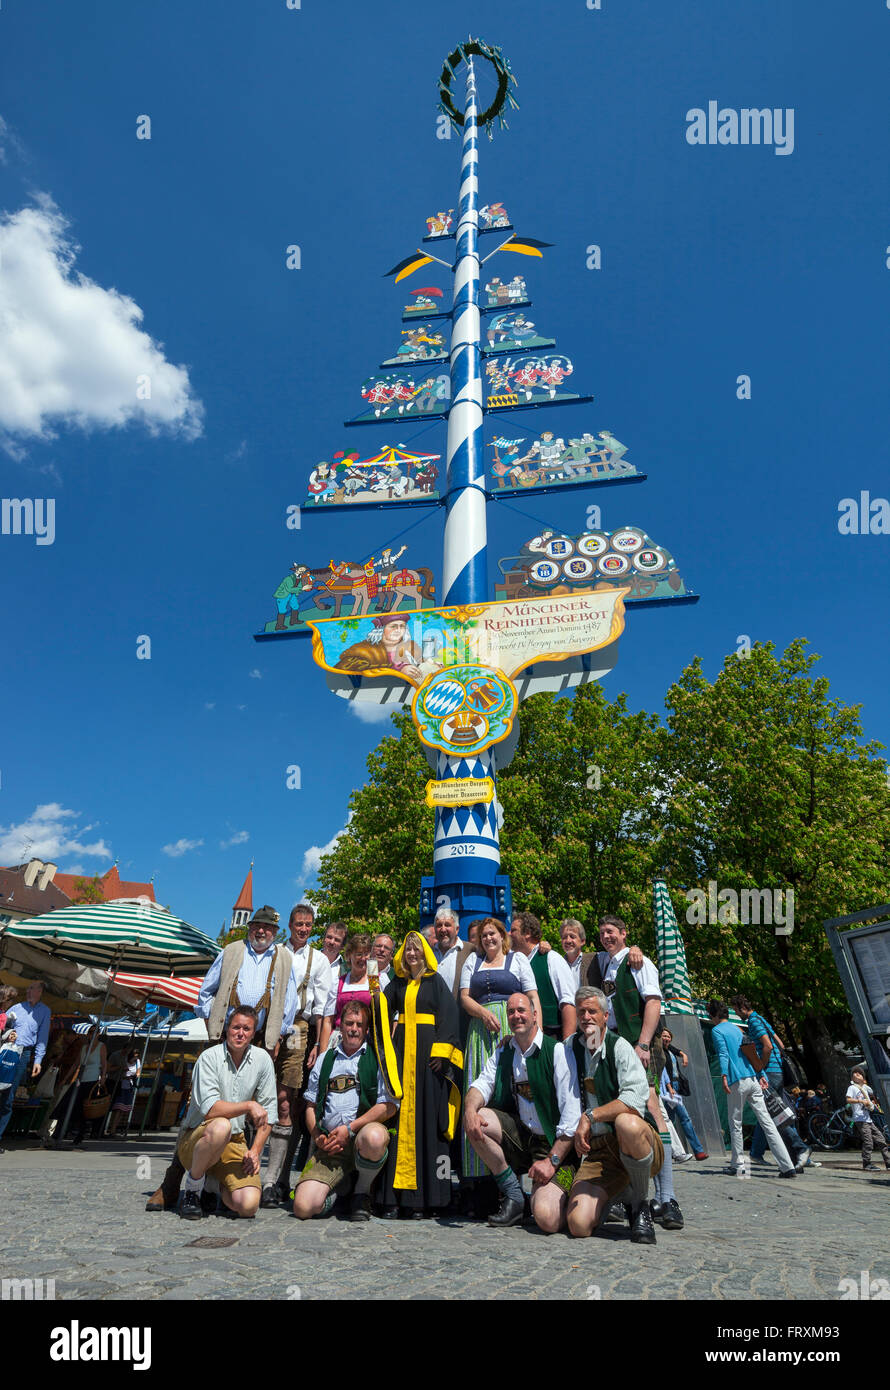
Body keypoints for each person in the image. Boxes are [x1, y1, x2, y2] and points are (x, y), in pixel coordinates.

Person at [146, 906, 294, 1213]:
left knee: (260, 1113)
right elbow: (206, 991)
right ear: (249, 927)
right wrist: (216, 1022)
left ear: (275, 932)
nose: (262, 931)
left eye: (267, 928)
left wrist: (277, 1035)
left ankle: (224, 1181)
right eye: (257, 926)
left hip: (262, 1040)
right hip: (224, 1035)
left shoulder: (283, 958)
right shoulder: (231, 950)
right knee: (199, 1110)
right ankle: (171, 1184)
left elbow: (288, 1000)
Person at [594, 914, 682, 1228]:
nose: (606, 936)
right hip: (616, 1045)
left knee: (653, 1108)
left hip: (638, 1044)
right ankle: (629, 1194)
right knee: (627, 1114)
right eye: (602, 932)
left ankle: (668, 1197)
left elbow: (654, 1002)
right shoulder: (605, 963)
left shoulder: (639, 962)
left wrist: (643, 1043)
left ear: (624, 933)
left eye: (611, 932)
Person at [463, 992, 578, 1231]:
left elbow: (572, 1117)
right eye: (512, 1012)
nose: (516, 1016)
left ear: (535, 1015)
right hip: (523, 1139)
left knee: (546, 1219)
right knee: (477, 1119)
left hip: (558, 1151)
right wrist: (469, 1110)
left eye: (522, 1010)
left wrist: (551, 1161)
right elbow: (481, 1085)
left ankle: (575, 1188)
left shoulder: (556, 1051)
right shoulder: (505, 1050)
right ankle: (515, 1197)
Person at [565, 988, 664, 1245]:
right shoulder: (569, 1048)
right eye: (581, 1011)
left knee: (626, 1123)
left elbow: (633, 1101)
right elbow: (540, 1051)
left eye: (592, 1011)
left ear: (605, 1016)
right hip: (598, 1153)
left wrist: (590, 1116)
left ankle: (640, 1204)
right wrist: (510, 1042)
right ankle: (616, 1196)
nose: (586, 1017)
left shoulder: (619, 1047)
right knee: (577, 1225)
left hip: (636, 1142)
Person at [380, 931, 462, 1218]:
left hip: (428, 1063)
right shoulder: (397, 984)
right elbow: (381, 1008)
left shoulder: (435, 982)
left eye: (416, 950)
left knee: (427, 1123)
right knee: (398, 1122)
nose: (412, 954)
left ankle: (425, 1200)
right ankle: (393, 1198)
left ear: (424, 953)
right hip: (403, 1060)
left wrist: (441, 1053)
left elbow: (449, 1017)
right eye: (408, 950)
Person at [294, 1000, 398, 1221]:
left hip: (360, 1138)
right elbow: (310, 1106)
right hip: (331, 1145)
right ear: (340, 1027)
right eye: (349, 1023)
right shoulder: (325, 1059)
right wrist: (318, 1136)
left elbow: (388, 1106)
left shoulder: (377, 1058)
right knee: (303, 1208)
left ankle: (361, 1193)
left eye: (359, 1025)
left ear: (367, 1029)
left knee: (375, 1137)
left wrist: (350, 1129)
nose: (354, 1029)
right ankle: (340, 1194)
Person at [262, 902, 334, 1207]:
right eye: (298, 924)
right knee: (259, 1097)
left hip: (298, 1029)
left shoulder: (318, 960)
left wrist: (319, 1045)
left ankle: (275, 1180)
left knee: (285, 1100)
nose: (303, 929)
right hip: (269, 1024)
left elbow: (323, 1009)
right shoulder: (275, 952)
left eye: (308, 925)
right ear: (290, 926)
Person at [459, 917, 540, 1184]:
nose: (488, 939)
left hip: (511, 1025)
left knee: (509, 1092)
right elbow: (464, 997)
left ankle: (512, 1171)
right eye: (484, 936)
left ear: (502, 935)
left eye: (492, 934)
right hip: (480, 1032)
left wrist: (534, 1027)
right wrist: (482, 1013)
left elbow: (531, 995)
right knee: (477, 1089)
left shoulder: (517, 959)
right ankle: (478, 1179)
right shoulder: (473, 961)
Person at [177, 1006, 277, 1220]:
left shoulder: (262, 1060)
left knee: (248, 1206)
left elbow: (270, 1112)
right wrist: (248, 1106)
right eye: (236, 1027)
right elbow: (211, 1110)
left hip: (235, 1141)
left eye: (246, 1029)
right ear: (227, 1029)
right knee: (222, 1125)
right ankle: (193, 1191)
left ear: (254, 1033)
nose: (240, 1033)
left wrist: (255, 1150)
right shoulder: (209, 1057)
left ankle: (213, 1186)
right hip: (198, 1137)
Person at [708, 1000, 796, 1179]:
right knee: (768, 1123)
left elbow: (724, 1054)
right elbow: (750, 1054)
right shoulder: (738, 1029)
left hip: (736, 1080)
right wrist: (761, 1072)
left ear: (714, 1015)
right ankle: (787, 1166)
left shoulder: (717, 1031)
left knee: (735, 1123)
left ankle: (738, 1165)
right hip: (753, 1078)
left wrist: (724, 1075)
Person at [730, 994, 812, 1170]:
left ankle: (801, 1148)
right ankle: (791, 1157)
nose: (737, 1014)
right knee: (778, 1113)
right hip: (779, 1071)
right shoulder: (762, 1019)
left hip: (770, 1073)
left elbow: (768, 1046)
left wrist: (761, 1066)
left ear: (741, 1007)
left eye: (736, 1010)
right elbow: (780, 1045)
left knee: (773, 1115)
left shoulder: (753, 1021)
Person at [0, 980, 51, 1147]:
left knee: (9, 1094)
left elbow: (42, 1038)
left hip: (23, 1054)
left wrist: (38, 1060)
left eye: (32, 988)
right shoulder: (15, 1008)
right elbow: (2, 1026)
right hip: (6, 1048)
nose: (28, 991)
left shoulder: (44, 1011)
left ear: (40, 991)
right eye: (28, 988)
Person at [510, 912, 576, 1039]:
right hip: (521, 1037)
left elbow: (568, 1003)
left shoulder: (551, 958)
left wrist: (567, 1046)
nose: (509, 934)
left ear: (527, 933)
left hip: (551, 1037)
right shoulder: (514, 962)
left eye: (513, 930)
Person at [659, 1026, 707, 1161]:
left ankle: (669, 1153)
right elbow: (662, 1071)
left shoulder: (669, 1050)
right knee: (682, 1118)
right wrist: (669, 1087)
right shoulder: (659, 1051)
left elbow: (676, 1050)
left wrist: (684, 1055)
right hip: (668, 1089)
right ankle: (697, 1151)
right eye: (663, 1036)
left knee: (669, 1121)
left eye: (668, 1036)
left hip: (675, 1086)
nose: (666, 1038)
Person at [846, 1068, 890, 1171]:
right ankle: (866, 1163)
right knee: (868, 1141)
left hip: (868, 1119)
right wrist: (860, 1101)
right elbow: (848, 1099)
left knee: (881, 1140)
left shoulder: (865, 1088)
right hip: (860, 1118)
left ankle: (888, 1162)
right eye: (854, 1073)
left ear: (863, 1078)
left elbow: (873, 1094)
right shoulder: (852, 1087)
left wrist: (871, 1103)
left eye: (859, 1073)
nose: (856, 1074)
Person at [328, 933, 373, 1028]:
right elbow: (328, 1020)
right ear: (349, 956)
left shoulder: (374, 979)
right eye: (359, 954)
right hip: (339, 1035)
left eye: (366, 954)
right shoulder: (339, 982)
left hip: (366, 1037)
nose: (363, 958)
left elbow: (380, 1010)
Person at [432, 909, 476, 998]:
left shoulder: (470, 950)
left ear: (457, 929)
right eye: (439, 925)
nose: (443, 929)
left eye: (447, 925)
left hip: (459, 1011)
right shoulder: (428, 953)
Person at [108, 1048, 141, 1137]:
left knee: (123, 1109)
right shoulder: (124, 1060)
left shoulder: (138, 1062)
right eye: (134, 1055)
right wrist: (125, 1072)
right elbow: (119, 1069)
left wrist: (135, 1075)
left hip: (129, 1086)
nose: (135, 1057)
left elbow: (138, 1072)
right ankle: (111, 1129)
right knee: (117, 1108)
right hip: (120, 1084)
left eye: (137, 1055)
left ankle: (114, 1129)